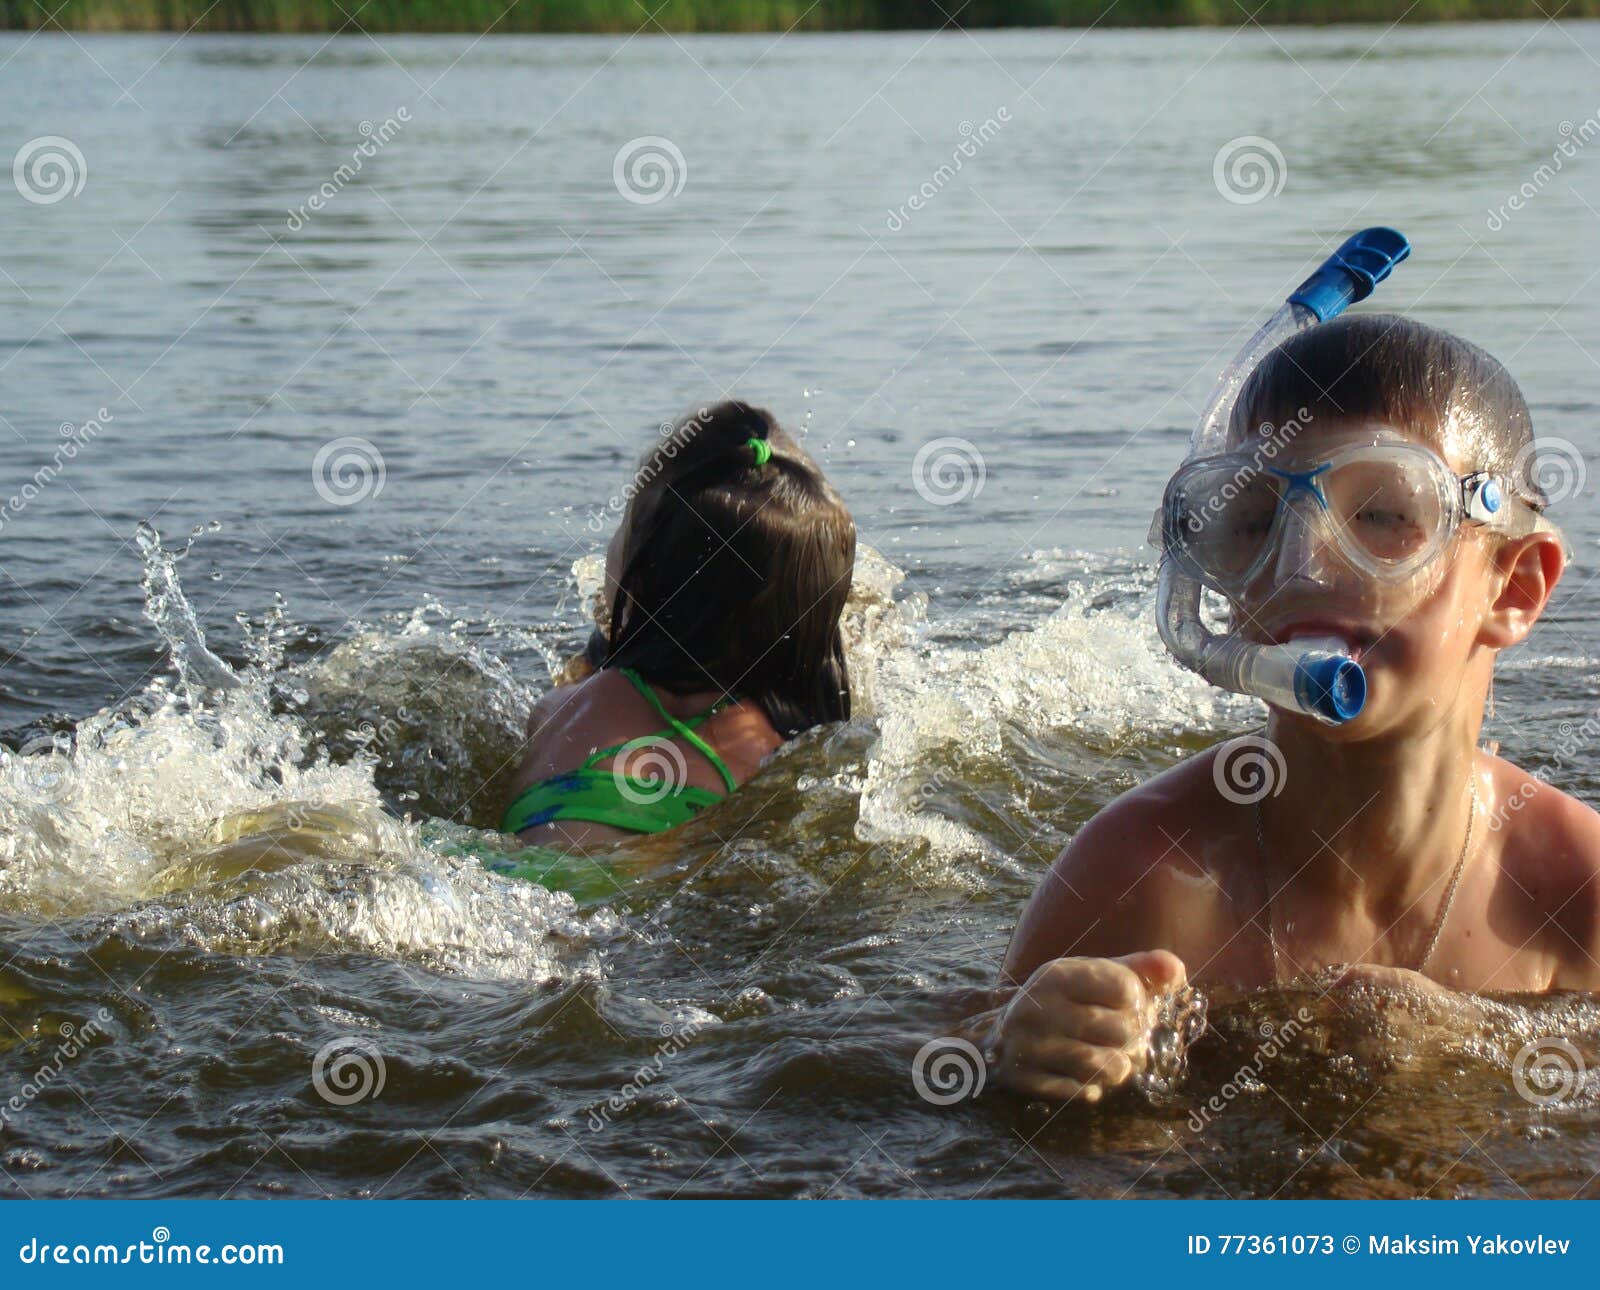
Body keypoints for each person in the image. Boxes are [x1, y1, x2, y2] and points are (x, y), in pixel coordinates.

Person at [975, 313, 1600, 1104]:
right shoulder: (1138, 875)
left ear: (1513, 587)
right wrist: (1013, 1054)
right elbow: (947, 1097)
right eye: (1255, 522)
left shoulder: (1578, 894)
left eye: (1381, 517)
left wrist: (1469, 1053)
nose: (1301, 567)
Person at [491, 400, 854, 891]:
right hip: (692, 863)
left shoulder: (563, 707)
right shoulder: (783, 746)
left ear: (643, 571)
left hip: (536, 882)